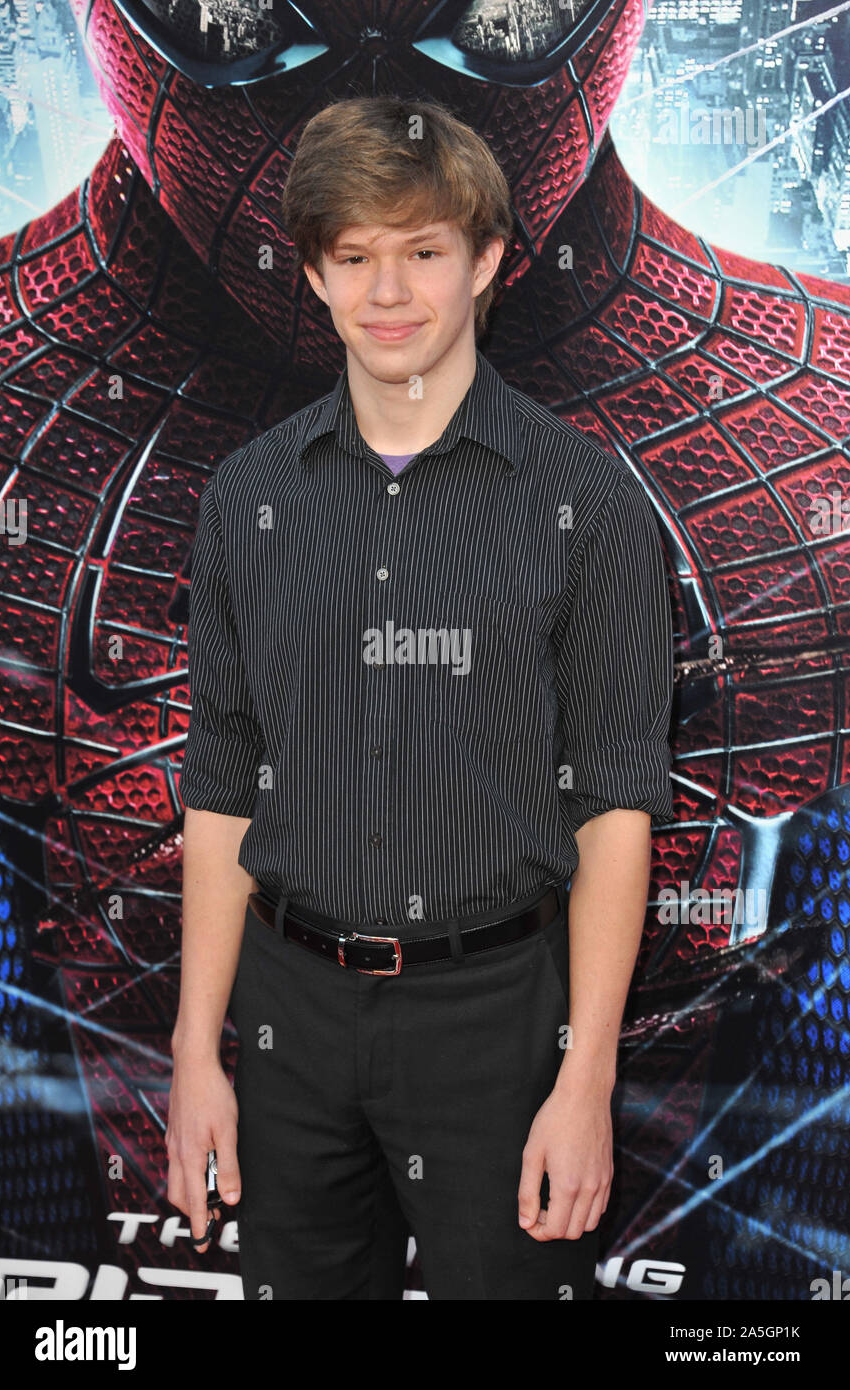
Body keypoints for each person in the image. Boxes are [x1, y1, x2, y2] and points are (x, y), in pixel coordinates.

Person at [166, 95, 675, 1301]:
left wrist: (584, 1079)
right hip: (286, 1018)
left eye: (423, 252)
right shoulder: (246, 499)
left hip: (497, 1025)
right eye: (354, 257)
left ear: (488, 259)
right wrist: (196, 1049)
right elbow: (222, 781)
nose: (388, 293)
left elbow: (614, 805)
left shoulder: (586, 502)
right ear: (314, 273)